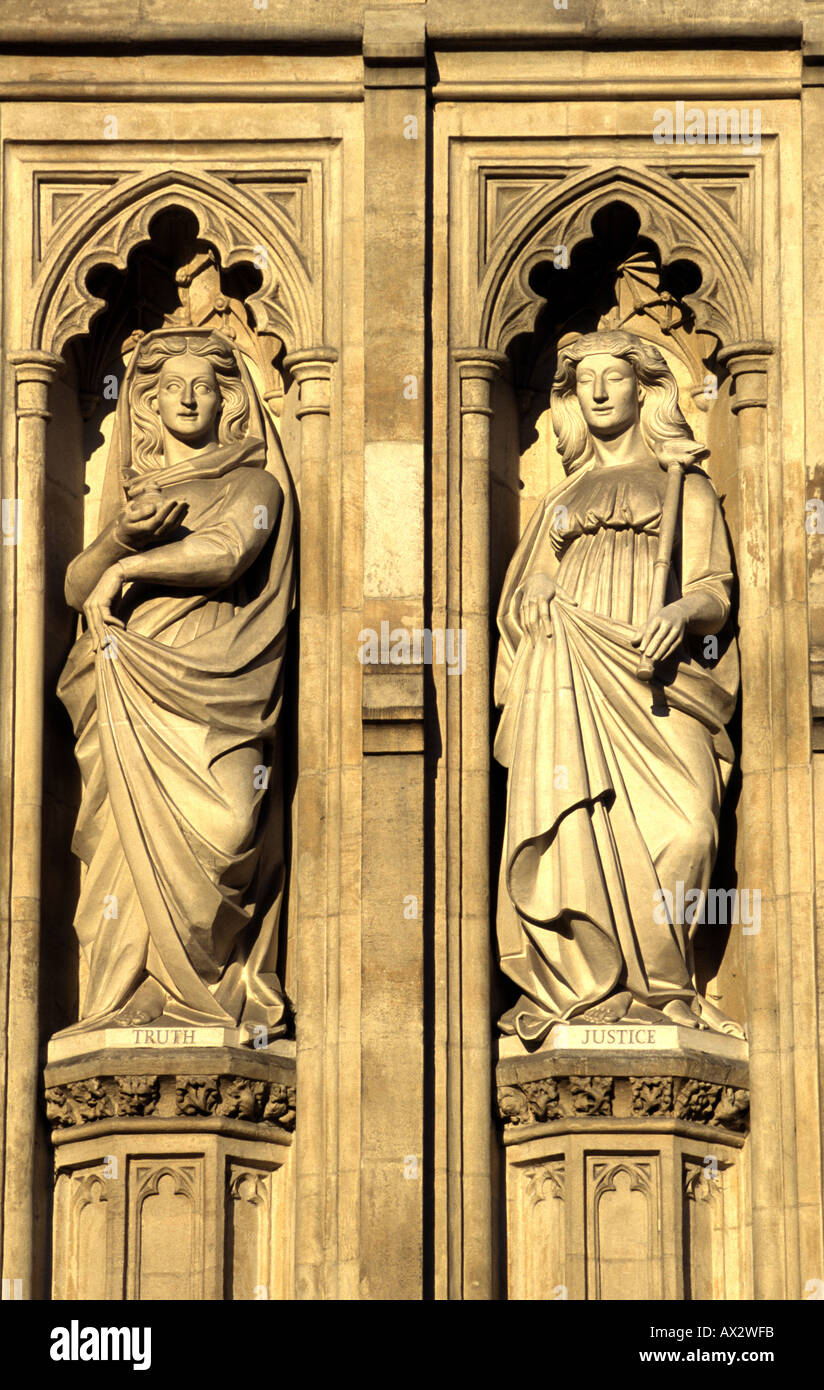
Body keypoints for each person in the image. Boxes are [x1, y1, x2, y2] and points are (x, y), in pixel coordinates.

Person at [494, 329, 743, 1045]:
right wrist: (540, 586)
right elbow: (521, 597)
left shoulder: (681, 481)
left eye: (615, 377)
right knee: (578, 821)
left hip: (659, 679)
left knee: (688, 828)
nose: (600, 391)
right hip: (573, 681)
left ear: (645, 389)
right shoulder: (560, 501)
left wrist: (680, 612)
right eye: (585, 381)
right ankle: (587, 984)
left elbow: (714, 589)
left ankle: (665, 991)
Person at [56, 327, 294, 1034]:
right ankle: (130, 996)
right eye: (170, 388)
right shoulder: (138, 496)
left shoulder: (255, 484)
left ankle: (214, 996)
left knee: (227, 823)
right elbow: (75, 586)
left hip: (220, 686)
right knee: (122, 850)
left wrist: (130, 569)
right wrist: (118, 541)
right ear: (149, 405)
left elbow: (225, 553)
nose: (188, 399)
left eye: (204, 386)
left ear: (229, 400)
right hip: (129, 675)